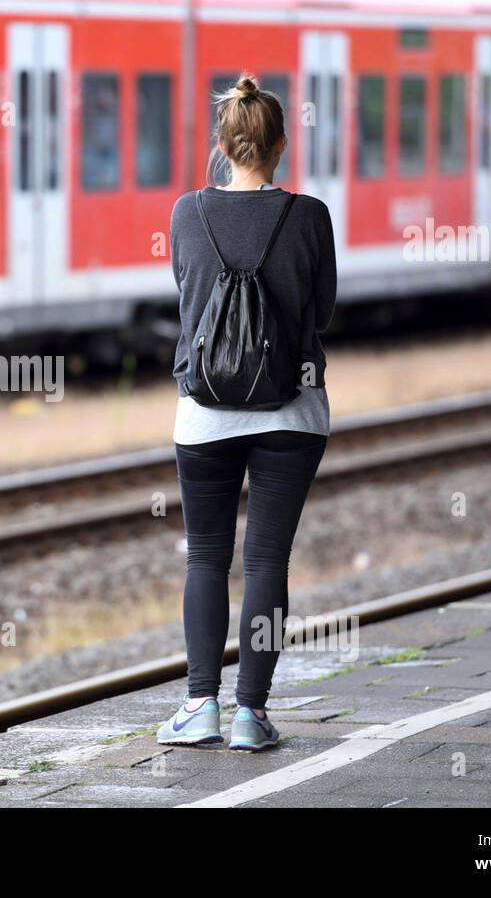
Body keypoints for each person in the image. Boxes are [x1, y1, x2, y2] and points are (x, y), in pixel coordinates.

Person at [156, 74, 337, 751]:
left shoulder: (185, 213)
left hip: (204, 415)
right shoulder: (310, 215)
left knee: (205, 555)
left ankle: (199, 705)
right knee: (267, 557)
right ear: (281, 144)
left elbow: (188, 299)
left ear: (222, 144)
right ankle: (250, 715)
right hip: (292, 413)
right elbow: (322, 314)